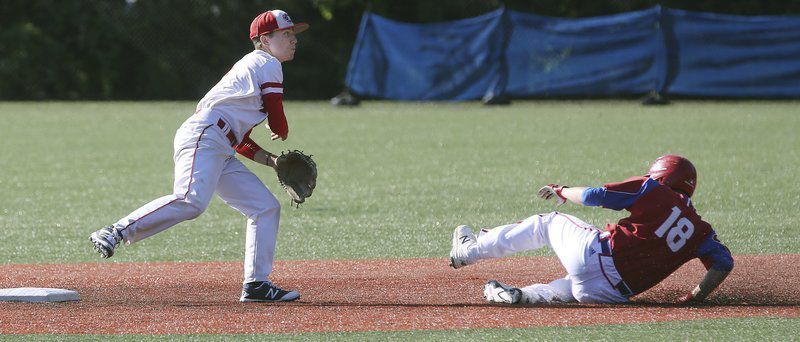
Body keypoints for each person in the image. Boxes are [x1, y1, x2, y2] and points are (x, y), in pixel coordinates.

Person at [89, 10, 310, 303]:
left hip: (218, 142)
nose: (293, 39)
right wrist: (280, 129)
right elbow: (276, 116)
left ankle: (257, 285)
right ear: (264, 39)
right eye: (286, 34)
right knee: (190, 200)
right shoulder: (266, 62)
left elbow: (238, 138)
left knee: (265, 207)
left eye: (293, 34)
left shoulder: (253, 67)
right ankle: (116, 232)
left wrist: (272, 161)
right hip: (205, 137)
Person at [449, 155, 733, 305]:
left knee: (547, 222)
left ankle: (469, 250)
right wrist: (695, 297)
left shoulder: (653, 188)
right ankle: (523, 296)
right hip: (612, 293)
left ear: (661, 175)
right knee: (566, 288)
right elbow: (723, 263)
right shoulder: (700, 230)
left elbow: (594, 196)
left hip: (597, 257)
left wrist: (562, 190)